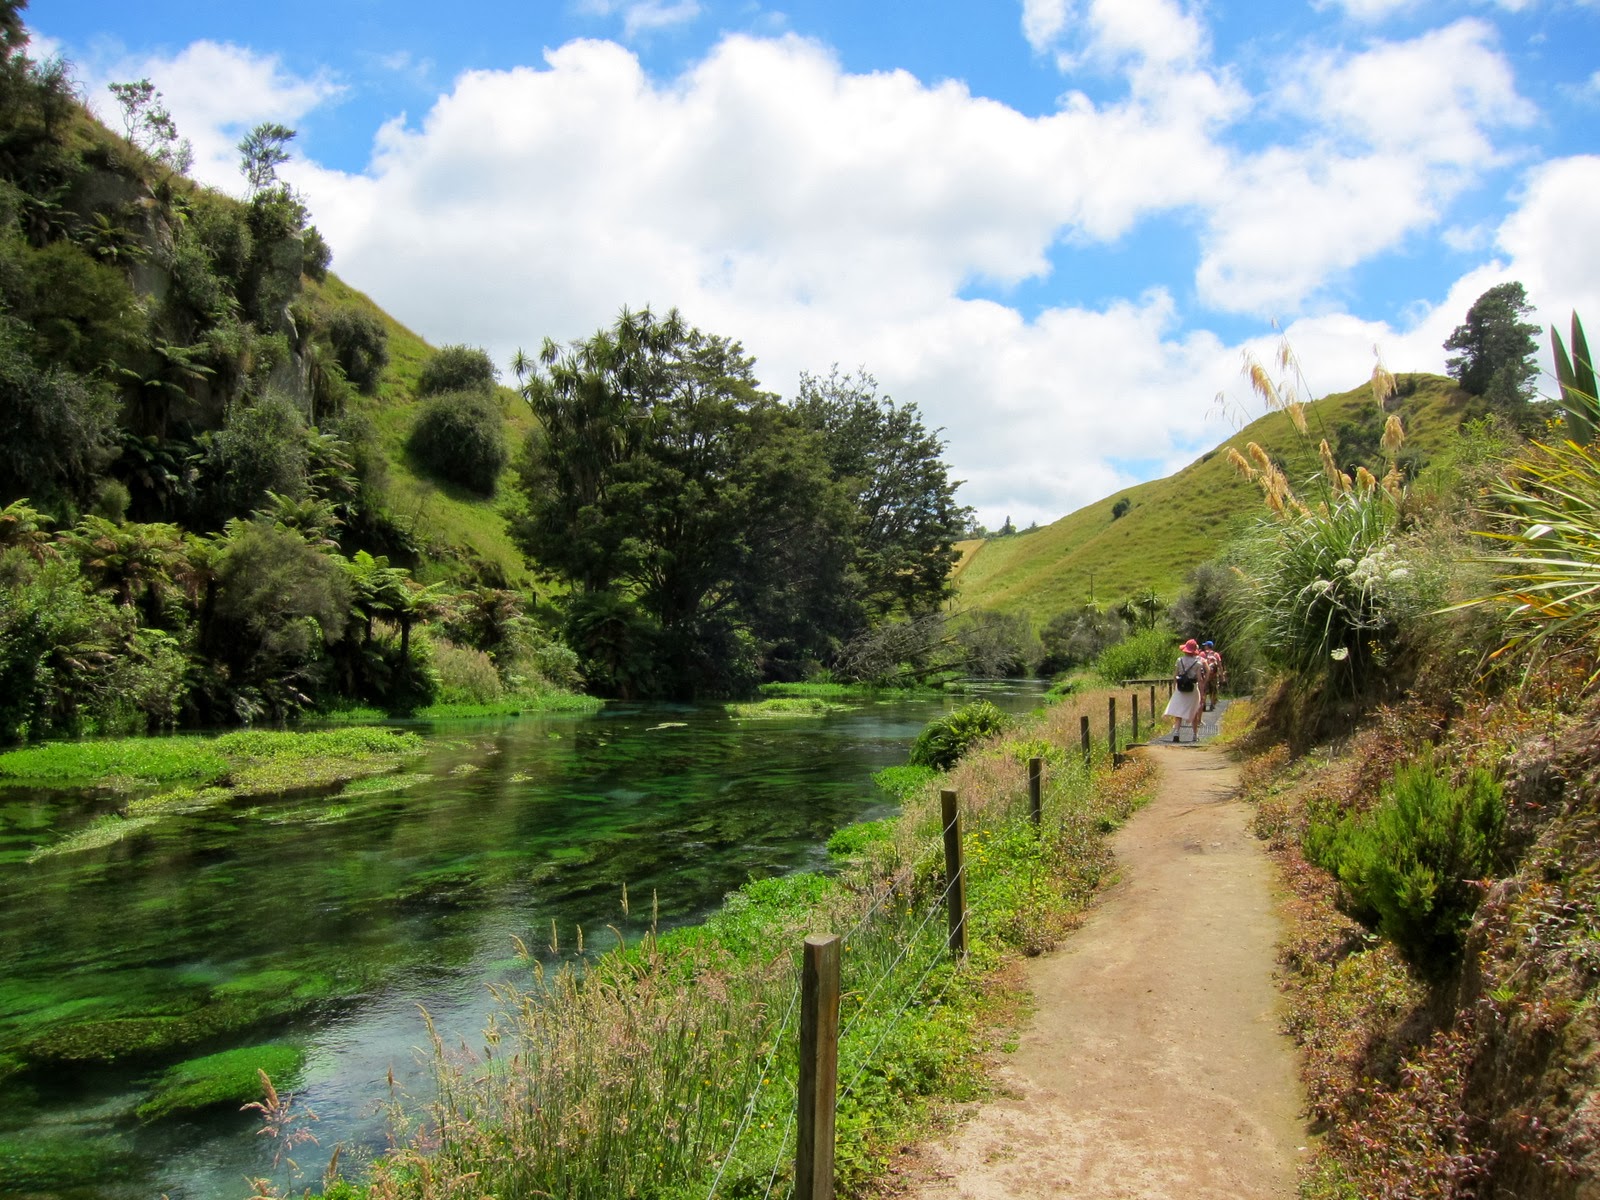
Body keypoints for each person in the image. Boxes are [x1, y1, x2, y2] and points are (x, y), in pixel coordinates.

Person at [1163, 638, 1208, 742]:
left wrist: (1175, 687)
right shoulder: (1198, 663)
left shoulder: (1179, 660)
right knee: (1194, 711)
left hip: (1180, 688)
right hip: (1192, 688)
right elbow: (1199, 679)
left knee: (1178, 712)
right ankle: (1195, 735)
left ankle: (1176, 733)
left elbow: (1175, 675)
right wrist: (1202, 692)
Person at [1200, 640, 1223, 711]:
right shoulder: (1216, 655)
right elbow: (1219, 665)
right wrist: (1221, 675)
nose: (1204, 647)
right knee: (1213, 690)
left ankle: (1203, 704)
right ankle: (1212, 704)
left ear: (1207, 646)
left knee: (1204, 690)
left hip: (1205, 675)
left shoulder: (1202, 654)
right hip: (1214, 676)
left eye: (1205, 645)